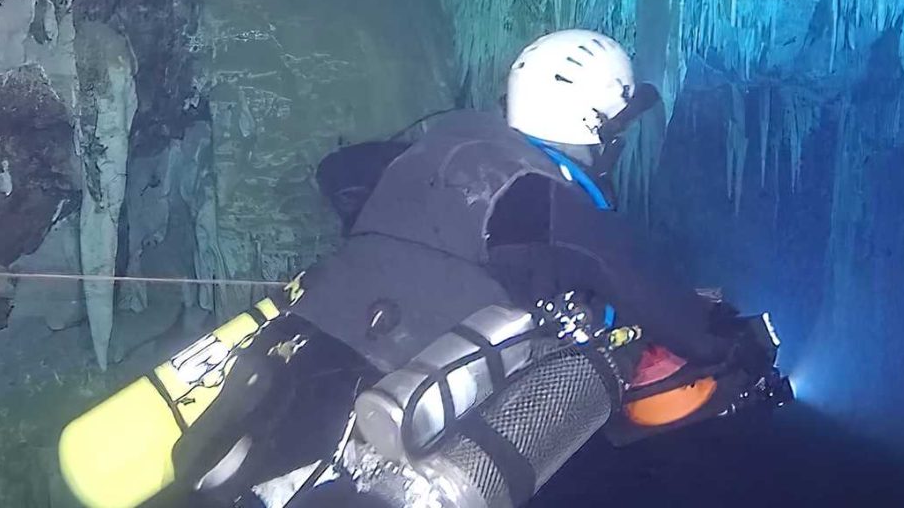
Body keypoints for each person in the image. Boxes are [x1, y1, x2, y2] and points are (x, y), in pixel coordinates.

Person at [60, 30, 788, 508]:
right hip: (373, 427)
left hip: (280, 368)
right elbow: (645, 293)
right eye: (620, 131)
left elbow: (337, 170)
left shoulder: (427, 154)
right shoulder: (548, 201)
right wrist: (733, 347)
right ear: (596, 128)